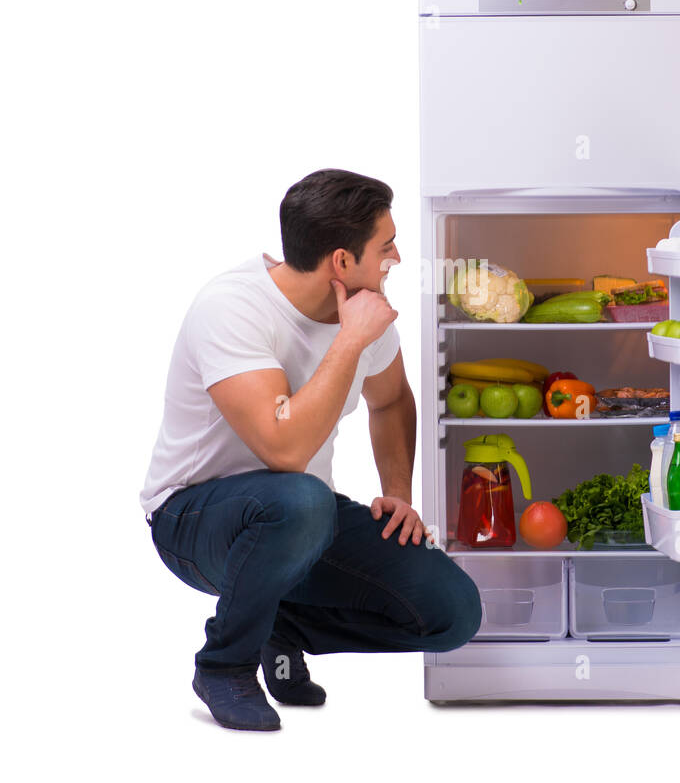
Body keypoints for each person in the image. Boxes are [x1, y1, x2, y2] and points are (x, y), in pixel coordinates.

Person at [140, 167, 482, 732]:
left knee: (452, 611)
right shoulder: (232, 307)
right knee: (299, 498)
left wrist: (397, 494)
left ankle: (279, 624)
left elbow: (392, 400)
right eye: (386, 245)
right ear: (342, 262)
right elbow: (284, 451)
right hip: (192, 521)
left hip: (301, 524)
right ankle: (225, 664)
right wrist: (349, 339)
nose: (397, 257)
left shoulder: (368, 313)